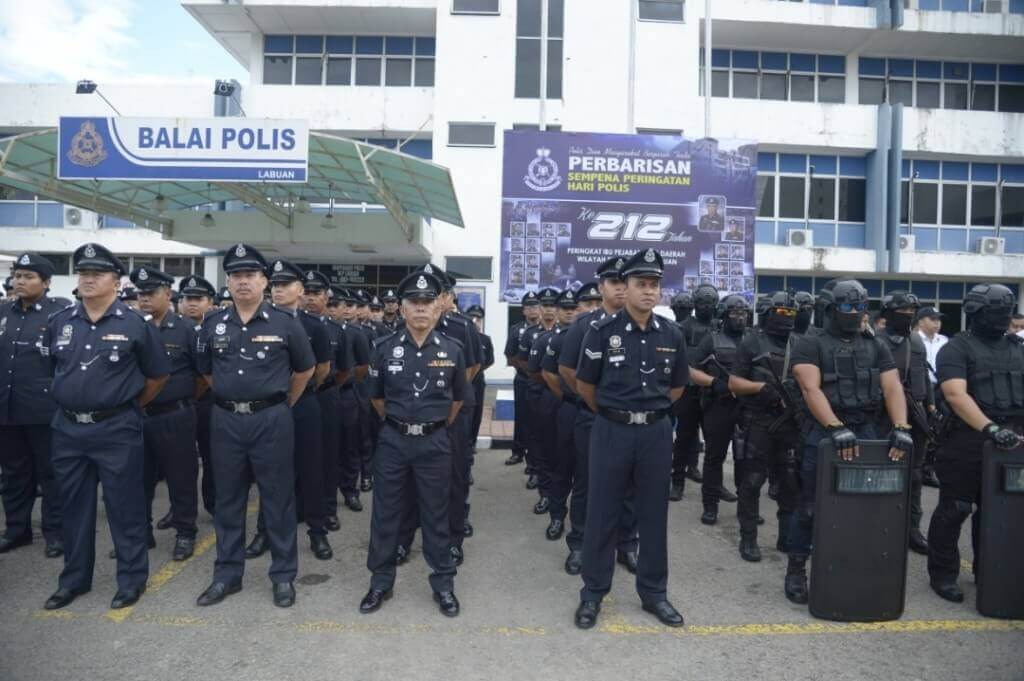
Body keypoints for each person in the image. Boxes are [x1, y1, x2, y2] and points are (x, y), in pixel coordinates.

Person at [43, 243, 170, 611]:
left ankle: (131, 580)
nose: (88, 279)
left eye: (96, 274)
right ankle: (74, 580)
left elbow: (158, 376)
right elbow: (55, 371)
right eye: (83, 273)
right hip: (68, 430)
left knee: (124, 507)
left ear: (116, 281)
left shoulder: (134, 325)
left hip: (116, 429)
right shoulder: (61, 321)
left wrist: (126, 406)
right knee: (74, 508)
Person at [574, 248, 689, 630]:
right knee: (602, 515)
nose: (648, 291)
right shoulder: (601, 332)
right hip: (612, 430)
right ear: (626, 287)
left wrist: (648, 414)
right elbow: (585, 385)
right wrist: (616, 414)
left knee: (653, 515)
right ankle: (592, 594)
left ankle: (654, 594)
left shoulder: (672, 334)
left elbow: (676, 388)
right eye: (641, 284)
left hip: (655, 433)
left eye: (654, 285)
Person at [194, 244, 315, 609]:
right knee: (228, 500)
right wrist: (235, 398)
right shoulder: (213, 323)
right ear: (228, 282)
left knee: (277, 500)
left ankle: (282, 576)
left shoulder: (285, 323)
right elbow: (207, 371)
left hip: (272, 421)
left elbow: (305, 370)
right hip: (227, 420)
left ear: (264, 281)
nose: (242, 281)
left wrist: (278, 404)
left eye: (250, 275)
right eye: (235, 275)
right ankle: (227, 575)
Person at [783, 278, 911, 605]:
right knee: (811, 507)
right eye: (846, 307)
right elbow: (811, 388)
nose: (854, 313)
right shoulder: (810, 343)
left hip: (866, 431)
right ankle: (797, 568)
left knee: (865, 506)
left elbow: (893, 387)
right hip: (824, 434)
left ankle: (852, 566)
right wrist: (835, 426)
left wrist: (901, 426)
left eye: (859, 307)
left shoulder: (876, 344)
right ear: (830, 309)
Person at [360, 269, 464, 617]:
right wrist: (402, 424)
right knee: (386, 512)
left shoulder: (454, 349)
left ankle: (444, 585)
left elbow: (457, 400)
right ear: (402, 310)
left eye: (427, 302)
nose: (421, 309)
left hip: (435, 442)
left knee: (436, 513)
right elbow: (376, 398)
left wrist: (432, 426)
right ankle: (380, 582)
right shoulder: (383, 348)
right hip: (393, 440)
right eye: (413, 303)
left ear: (438, 308)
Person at [927, 283, 1024, 604]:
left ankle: (990, 572)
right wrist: (990, 427)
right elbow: (956, 395)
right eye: (996, 312)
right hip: (967, 440)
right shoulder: (957, 348)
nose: (1002, 318)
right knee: (956, 508)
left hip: (1013, 440)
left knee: (999, 511)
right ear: (976, 312)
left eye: (1006, 312)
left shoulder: (1018, 347)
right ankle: (943, 574)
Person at [244, 260, 334, 562]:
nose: (278, 290)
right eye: (275, 285)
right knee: (270, 471)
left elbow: (321, 369)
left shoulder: (313, 325)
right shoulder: (260, 321)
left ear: (299, 289)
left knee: (312, 469)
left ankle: (317, 532)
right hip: (269, 407)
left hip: (303, 405)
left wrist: (296, 396)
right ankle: (264, 532)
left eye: (285, 285)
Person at [555, 257, 639, 576]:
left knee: (629, 485)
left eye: (624, 282)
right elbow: (567, 369)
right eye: (613, 282)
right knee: (587, 484)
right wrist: (597, 403)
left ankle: (627, 544)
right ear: (601, 286)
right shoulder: (583, 325)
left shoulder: (642, 324)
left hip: (631, 422)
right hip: (593, 418)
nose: (620, 288)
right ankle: (579, 544)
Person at [129, 265, 201, 562]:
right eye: (140, 294)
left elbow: (202, 375)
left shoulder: (186, 329)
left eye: (151, 293)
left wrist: (181, 401)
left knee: (181, 477)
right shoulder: (129, 325)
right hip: (136, 416)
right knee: (136, 478)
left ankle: (185, 532)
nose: (144, 298)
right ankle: (140, 532)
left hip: (175, 416)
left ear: (168, 294)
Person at [728, 290, 802, 562]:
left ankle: (786, 537)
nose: (787, 318)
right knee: (752, 481)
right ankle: (748, 539)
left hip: (791, 424)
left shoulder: (800, 343)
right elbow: (734, 383)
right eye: (781, 312)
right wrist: (762, 387)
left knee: (790, 484)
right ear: (768, 313)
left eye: (791, 313)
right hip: (758, 421)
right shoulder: (752, 342)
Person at [0, 253, 66, 557]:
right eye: (18, 275)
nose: (21, 281)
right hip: (8, 408)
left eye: (29, 276)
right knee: (14, 473)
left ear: (46, 282)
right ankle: (17, 530)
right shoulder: (4, 312)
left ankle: (54, 532)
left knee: (50, 473)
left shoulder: (60, 314)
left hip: (44, 410)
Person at [876, 291, 933, 555]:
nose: (908, 317)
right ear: (887, 314)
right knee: (879, 471)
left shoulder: (916, 341)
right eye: (903, 313)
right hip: (881, 415)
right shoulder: (874, 341)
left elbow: (924, 376)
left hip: (916, 414)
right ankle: (879, 524)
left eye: (912, 313)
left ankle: (912, 529)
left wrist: (930, 406)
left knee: (916, 474)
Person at [689, 294, 749, 525]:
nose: (740, 318)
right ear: (724, 315)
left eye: (743, 313)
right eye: (734, 313)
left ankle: (746, 507)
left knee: (747, 459)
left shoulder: (753, 339)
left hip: (747, 407)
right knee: (715, 458)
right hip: (719, 405)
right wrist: (715, 383)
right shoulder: (711, 340)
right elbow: (692, 371)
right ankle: (710, 506)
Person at [302, 272, 354, 536]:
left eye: (317, 294)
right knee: (296, 455)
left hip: (325, 396)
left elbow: (345, 369)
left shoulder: (337, 330)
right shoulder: (292, 325)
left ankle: (328, 509)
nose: (311, 299)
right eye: (307, 293)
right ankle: (301, 506)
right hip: (296, 398)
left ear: (326, 297)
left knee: (328, 454)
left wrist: (324, 384)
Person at [529, 288, 578, 541]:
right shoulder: (547, 339)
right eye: (565, 308)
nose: (570, 312)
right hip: (554, 401)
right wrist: (564, 395)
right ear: (558, 312)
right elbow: (538, 373)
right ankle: (555, 510)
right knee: (555, 460)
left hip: (585, 408)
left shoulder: (592, 335)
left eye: (574, 307)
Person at [670, 285, 718, 500]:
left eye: (710, 303)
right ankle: (677, 481)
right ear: (695, 305)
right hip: (688, 391)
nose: (706, 307)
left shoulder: (720, 326)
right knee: (684, 437)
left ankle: (713, 485)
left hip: (713, 392)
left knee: (714, 442)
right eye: (702, 303)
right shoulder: (683, 327)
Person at [518, 288, 560, 516]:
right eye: (545, 305)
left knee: (562, 449)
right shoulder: (530, 334)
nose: (549, 309)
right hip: (537, 393)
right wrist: (542, 379)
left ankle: (561, 494)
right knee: (540, 444)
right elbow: (522, 361)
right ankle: (545, 494)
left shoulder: (570, 333)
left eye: (553, 305)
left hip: (564, 397)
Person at [178, 275, 218, 516]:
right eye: (187, 298)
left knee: (212, 459)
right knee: (181, 463)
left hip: (208, 403)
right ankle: (180, 510)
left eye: (198, 299)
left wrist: (194, 395)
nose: (192, 303)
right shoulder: (170, 328)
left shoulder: (218, 327)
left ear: (210, 302)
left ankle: (213, 505)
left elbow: (208, 373)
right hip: (179, 406)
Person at [504, 291, 540, 468]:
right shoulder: (516, 329)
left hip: (543, 382)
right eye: (530, 307)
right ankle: (517, 452)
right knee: (521, 417)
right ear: (524, 311)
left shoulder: (548, 329)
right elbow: (510, 356)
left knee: (538, 421)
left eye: (536, 306)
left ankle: (534, 462)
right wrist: (528, 371)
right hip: (523, 379)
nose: (533, 310)